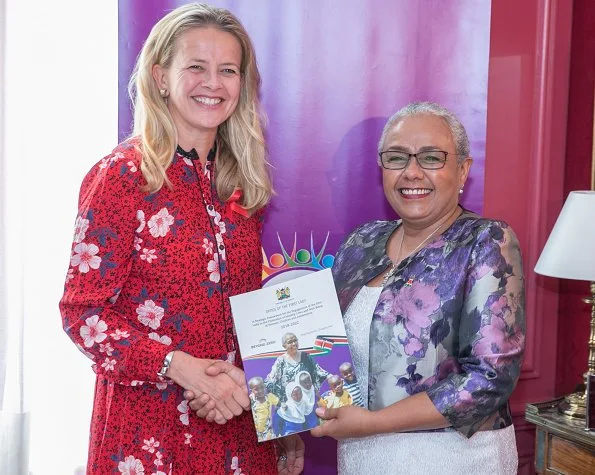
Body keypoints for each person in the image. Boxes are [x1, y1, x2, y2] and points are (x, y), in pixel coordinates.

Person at [58, 3, 302, 473]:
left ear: (242, 85)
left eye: (227, 70)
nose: (213, 82)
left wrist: (283, 416)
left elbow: (248, 318)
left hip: (240, 425)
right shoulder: (123, 176)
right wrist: (182, 368)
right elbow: (82, 315)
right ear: (161, 77)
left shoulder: (239, 185)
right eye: (196, 66)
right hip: (149, 432)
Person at [310, 102, 525, 475]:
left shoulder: (485, 241)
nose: (411, 172)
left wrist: (372, 424)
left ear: (463, 170)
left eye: (431, 157)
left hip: (454, 460)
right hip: (363, 458)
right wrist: (255, 383)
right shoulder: (362, 242)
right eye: (396, 158)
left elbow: (488, 379)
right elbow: (316, 346)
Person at [264, 332, 330, 404]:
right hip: (290, 401)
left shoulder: (306, 356)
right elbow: (271, 378)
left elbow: (318, 370)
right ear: (284, 346)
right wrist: (261, 389)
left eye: (295, 340)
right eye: (290, 342)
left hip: (307, 399)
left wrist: (331, 377)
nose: (294, 344)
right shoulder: (281, 360)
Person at [248, 376, 280, 442]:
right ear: (251, 391)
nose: (260, 391)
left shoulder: (270, 397)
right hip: (256, 432)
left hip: (268, 431)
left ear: (264, 386)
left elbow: (280, 404)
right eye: (256, 389)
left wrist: (282, 407)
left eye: (262, 387)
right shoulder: (250, 400)